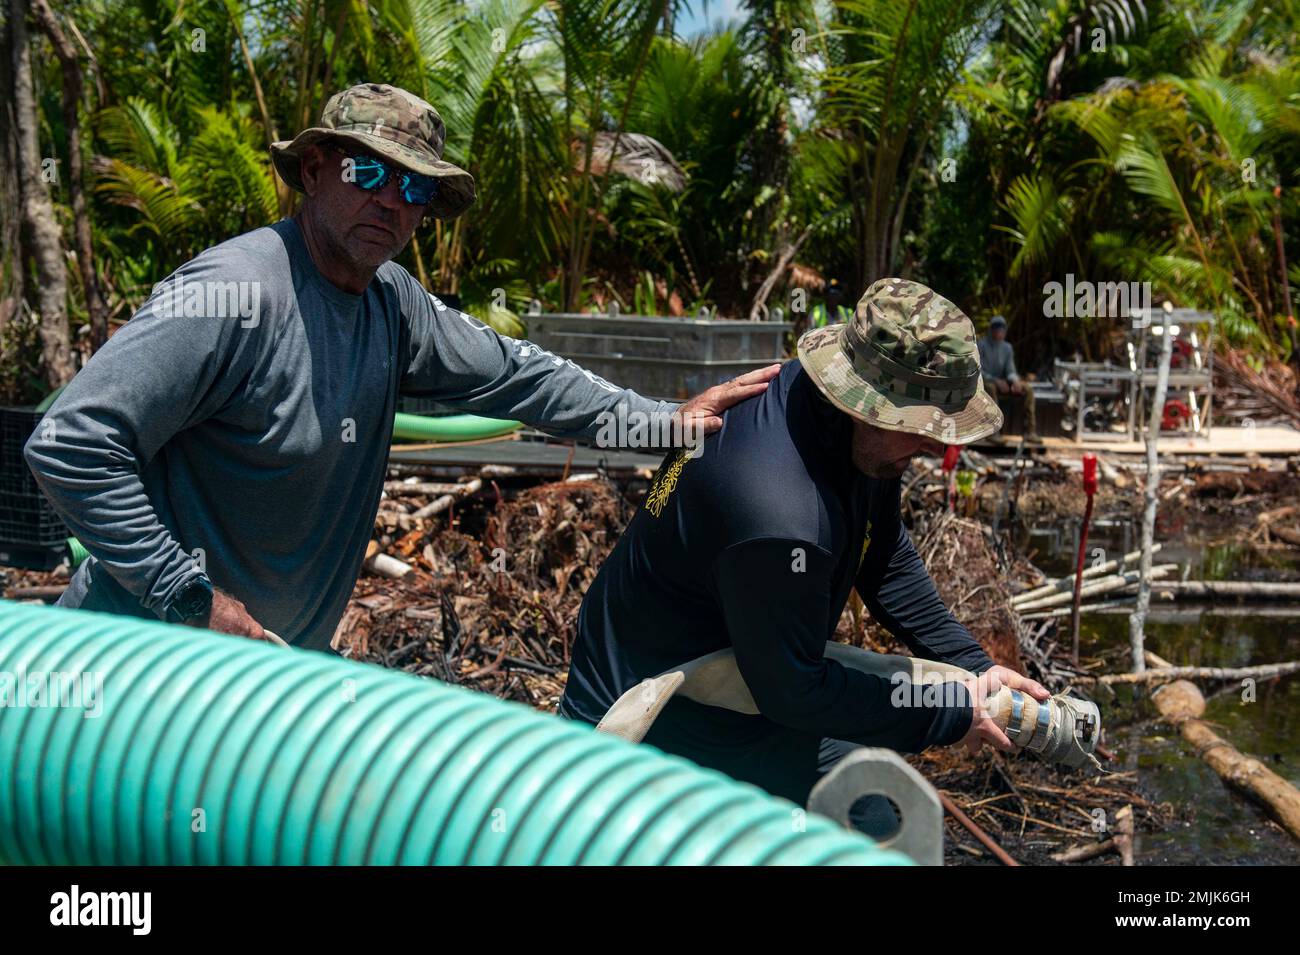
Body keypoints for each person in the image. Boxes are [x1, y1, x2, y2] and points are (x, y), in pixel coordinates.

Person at [23, 83, 776, 651]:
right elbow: (71, 442)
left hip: (255, 684)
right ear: (313, 170)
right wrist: (192, 599)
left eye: (414, 187)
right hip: (134, 665)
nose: (390, 200)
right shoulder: (238, 293)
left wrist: (660, 424)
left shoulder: (392, 302)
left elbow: (521, 374)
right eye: (366, 172)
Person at [560, 278, 1049, 822]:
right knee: (859, 824)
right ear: (866, 404)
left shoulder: (844, 426)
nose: (937, 446)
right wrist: (949, 712)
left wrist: (972, 668)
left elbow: (883, 554)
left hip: (740, 676)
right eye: (921, 429)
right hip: (652, 709)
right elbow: (795, 693)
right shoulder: (775, 511)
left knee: (876, 816)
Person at [977, 314, 1036, 438]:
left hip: (1002, 382)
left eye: (1002, 329)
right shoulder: (981, 345)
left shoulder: (1007, 348)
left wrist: (1015, 381)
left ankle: (1030, 431)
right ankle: (993, 432)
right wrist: (996, 381)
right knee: (990, 388)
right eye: (997, 329)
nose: (999, 332)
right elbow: (977, 370)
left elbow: (1010, 370)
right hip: (984, 382)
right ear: (991, 330)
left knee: (1028, 389)